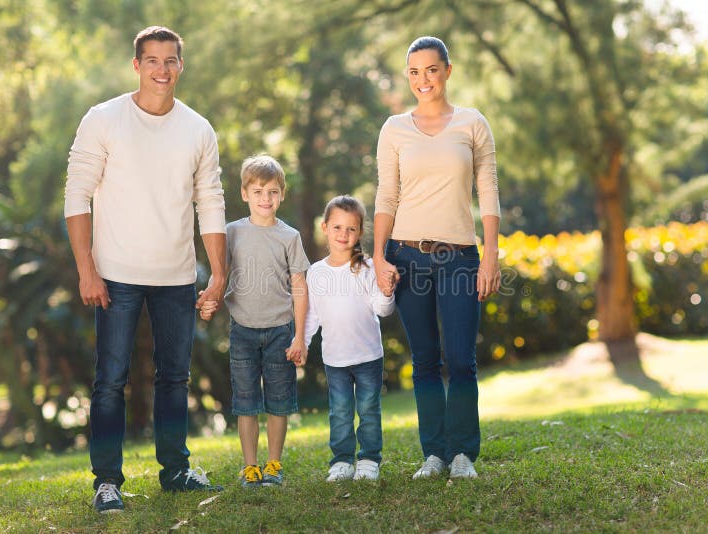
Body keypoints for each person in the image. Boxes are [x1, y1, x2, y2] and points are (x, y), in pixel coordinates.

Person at [64, 26, 226, 513]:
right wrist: (86, 270)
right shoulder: (104, 119)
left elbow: (210, 202)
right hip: (115, 274)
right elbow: (76, 194)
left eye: (170, 60)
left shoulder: (199, 129)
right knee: (110, 380)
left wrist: (217, 273)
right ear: (137, 65)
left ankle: (175, 471)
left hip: (176, 276)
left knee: (175, 378)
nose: (161, 69)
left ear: (181, 65)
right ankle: (107, 482)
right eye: (152, 60)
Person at [373, 36, 501, 480]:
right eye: (414, 72)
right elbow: (386, 196)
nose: (422, 80)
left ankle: (464, 454)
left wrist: (490, 257)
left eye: (430, 70)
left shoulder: (472, 123)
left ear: (447, 70)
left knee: (461, 358)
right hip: (406, 257)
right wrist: (378, 257)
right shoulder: (394, 129)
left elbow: (488, 191)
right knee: (425, 358)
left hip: (461, 258)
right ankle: (435, 453)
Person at [200, 155, 309, 488]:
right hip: (242, 332)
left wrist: (300, 337)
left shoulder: (289, 236)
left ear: (282, 195)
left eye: (273, 192)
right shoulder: (231, 232)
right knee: (245, 403)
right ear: (245, 193)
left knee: (278, 403)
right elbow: (220, 275)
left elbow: (300, 288)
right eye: (259, 191)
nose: (266, 198)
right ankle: (251, 467)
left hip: (280, 331)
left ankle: (273, 465)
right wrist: (209, 301)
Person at [303, 196, 395, 482]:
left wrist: (387, 291)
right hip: (335, 359)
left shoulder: (368, 267)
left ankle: (369, 459)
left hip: (368, 356)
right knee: (340, 412)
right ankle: (341, 461)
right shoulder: (316, 272)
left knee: (368, 410)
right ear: (325, 227)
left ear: (360, 233)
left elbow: (382, 310)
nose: (343, 234)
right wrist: (302, 344)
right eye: (337, 227)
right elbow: (312, 316)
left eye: (351, 229)